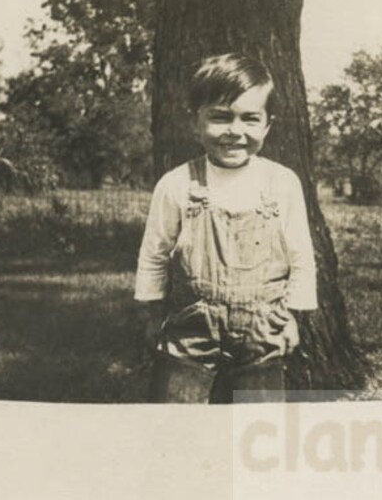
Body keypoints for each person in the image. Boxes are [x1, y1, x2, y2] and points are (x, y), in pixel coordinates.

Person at [134, 53, 318, 403]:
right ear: (195, 123)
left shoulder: (282, 183)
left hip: (263, 329)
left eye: (250, 119)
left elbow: (301, 255)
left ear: (267, 124)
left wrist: (294, 317)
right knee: (174, 418)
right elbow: (153, 254)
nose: (235, 131)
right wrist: (150, 313)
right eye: (220, 118)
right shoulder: (176, 185)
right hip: (191, 328)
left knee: (260, 429)